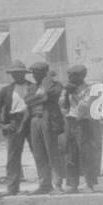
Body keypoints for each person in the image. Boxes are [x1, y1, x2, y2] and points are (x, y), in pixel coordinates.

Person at [24, 61, 63, 195]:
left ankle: (56, 184)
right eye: (33, 73)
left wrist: (42, 95)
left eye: (37, 73)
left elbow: (51, 96)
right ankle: (44, 184)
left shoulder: (55, 85)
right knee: (39, 154)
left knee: (52, 152)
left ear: (44, 73)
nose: (34, 76)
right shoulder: (32, 87)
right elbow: (28, 101)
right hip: (35, 120)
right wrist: (42, 97)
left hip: (48, 120)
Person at [61, 63, 101, 193]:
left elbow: (84, 107)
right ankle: (72, 183)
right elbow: (64, 106)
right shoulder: (68, 89)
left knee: (86, 153)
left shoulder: (89, 89)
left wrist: (75, 94)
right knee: (70, 153)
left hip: (84, 123)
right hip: (70, 121)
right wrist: (67, 93)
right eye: (70, 76)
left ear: (82, 76)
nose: (71, 78)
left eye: (74, 76)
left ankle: (89, 183)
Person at [0, 59, 31, 195]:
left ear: (24, 73)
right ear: (11, 75)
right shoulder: (6, 90)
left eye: (20, 73)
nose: (17, 76)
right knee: (13, 157)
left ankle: (45, 185)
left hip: (31, 120)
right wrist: (2, 125)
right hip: (14, 122)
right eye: (14, 73)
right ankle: (12, 188)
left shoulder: (32, 87)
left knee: (40, 153)